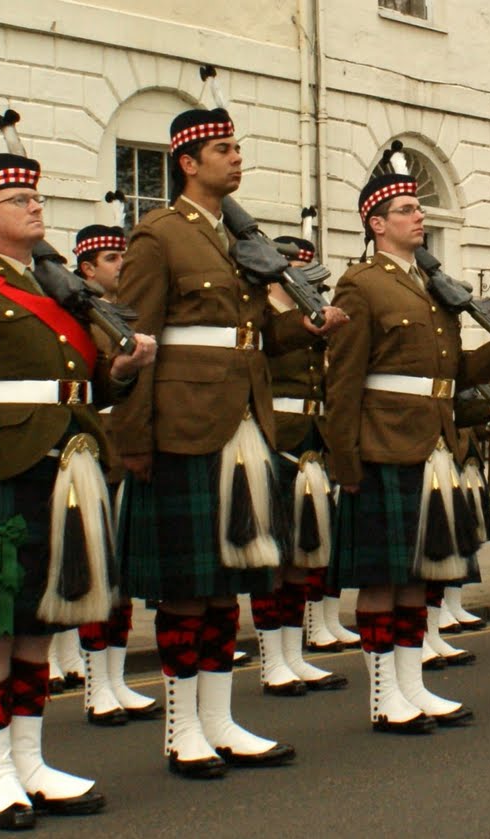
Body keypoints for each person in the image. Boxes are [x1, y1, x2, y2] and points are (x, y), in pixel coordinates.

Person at [0, 152, 157, 828]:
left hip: (65, 464)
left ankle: (30, 762)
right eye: (19, 198)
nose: (35, 206)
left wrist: (125, 369)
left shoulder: (56, 285)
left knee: (38, 627)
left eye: (36, 196)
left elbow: (84, 385)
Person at [113, 108, 326, 776]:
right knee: (186, 586)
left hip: (241, 424)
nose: (237, 158)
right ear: (188, 161)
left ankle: (220, 720)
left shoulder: (239, 239)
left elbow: (252, 335)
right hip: (184, 426)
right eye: (224, 148)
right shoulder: (159, 235)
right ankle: (183, 730)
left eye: (237, 147)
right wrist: (134, 438)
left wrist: (308, 325)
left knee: (225, 583)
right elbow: (136, 341)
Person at [323, 145, 490, 731]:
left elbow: (451, 374)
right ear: (376, 223)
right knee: (384, 580)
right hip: (383, 443)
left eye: (419, 208)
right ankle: (385, 697)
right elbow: (344, 382)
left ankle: (412, 687)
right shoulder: (360, 285)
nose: (419, 216)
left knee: (418, 576)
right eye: (407, 209)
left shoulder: (435, 287)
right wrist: (345, 462)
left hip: (432, 442)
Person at [244, 234, 351, 696]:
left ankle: (294, 655)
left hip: (311, 440)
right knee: (273, 557)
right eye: (296, 269)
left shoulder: (310, 314)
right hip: (275, 438)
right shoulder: (262, 316)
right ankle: (273, 661)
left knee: (301, 557)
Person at [64, 224, 161, 725]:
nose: (121, 264)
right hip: (92, 452)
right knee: (93, 577)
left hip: (126, 453)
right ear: (86, 268)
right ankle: (95, 685)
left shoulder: (129, 312)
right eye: (110, 258)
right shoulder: (74, 314)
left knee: (120, 581)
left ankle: (116, 679)